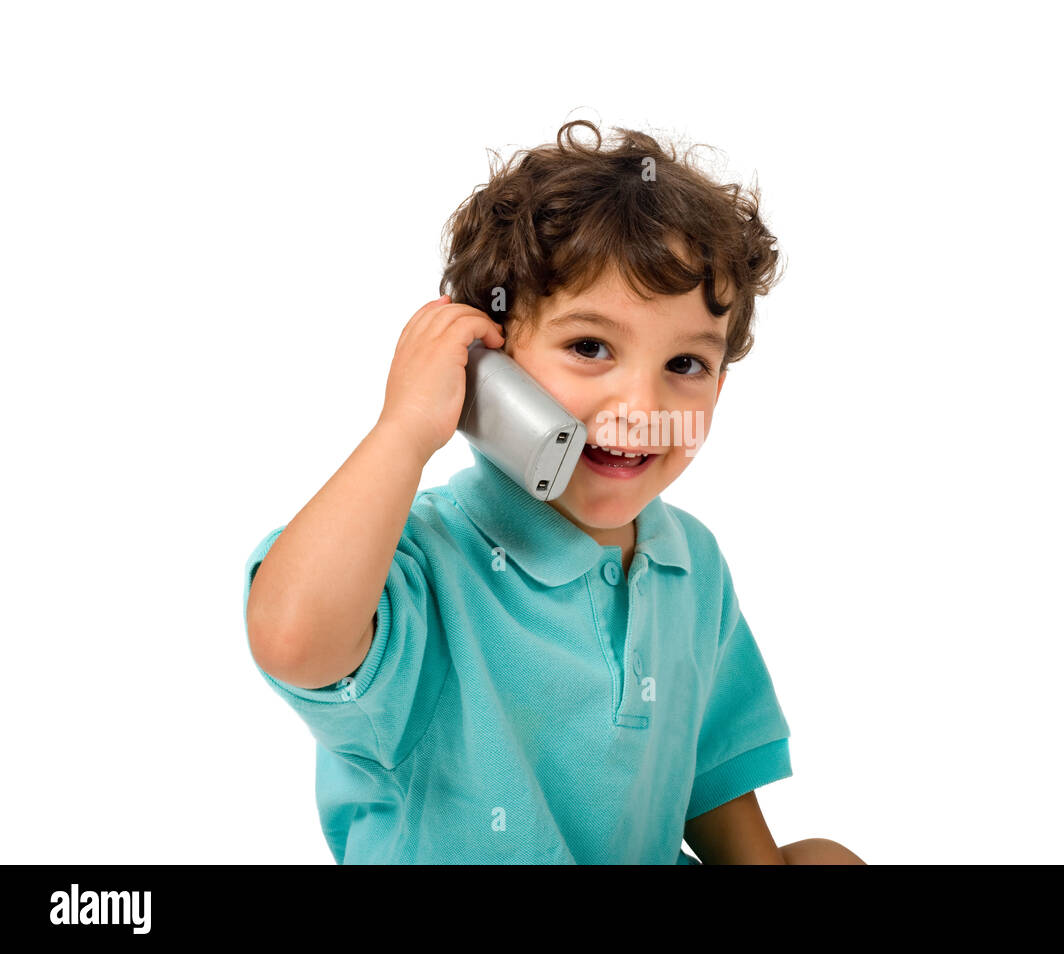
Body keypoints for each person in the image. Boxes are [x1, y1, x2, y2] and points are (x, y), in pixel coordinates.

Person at [242, 119, 865, 865]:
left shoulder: (689, 559)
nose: (643, 402)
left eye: (686, 365)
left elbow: (710, 772)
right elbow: (293, 640)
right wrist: (405, 427)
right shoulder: (422, 564)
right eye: (590, 347)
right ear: (482, 364)